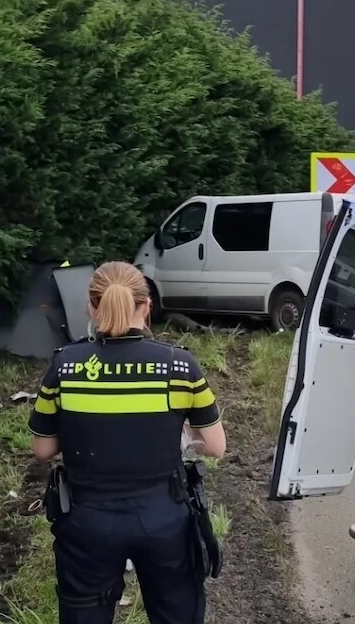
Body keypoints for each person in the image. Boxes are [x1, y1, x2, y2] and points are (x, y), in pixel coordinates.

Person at [29, 261, 227, 624]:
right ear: (147, 306)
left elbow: (43, 449)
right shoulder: (179, 366)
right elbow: (215, 446)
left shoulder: (65, 366)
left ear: (91, 307)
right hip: (164, 519)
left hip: (87, 522)